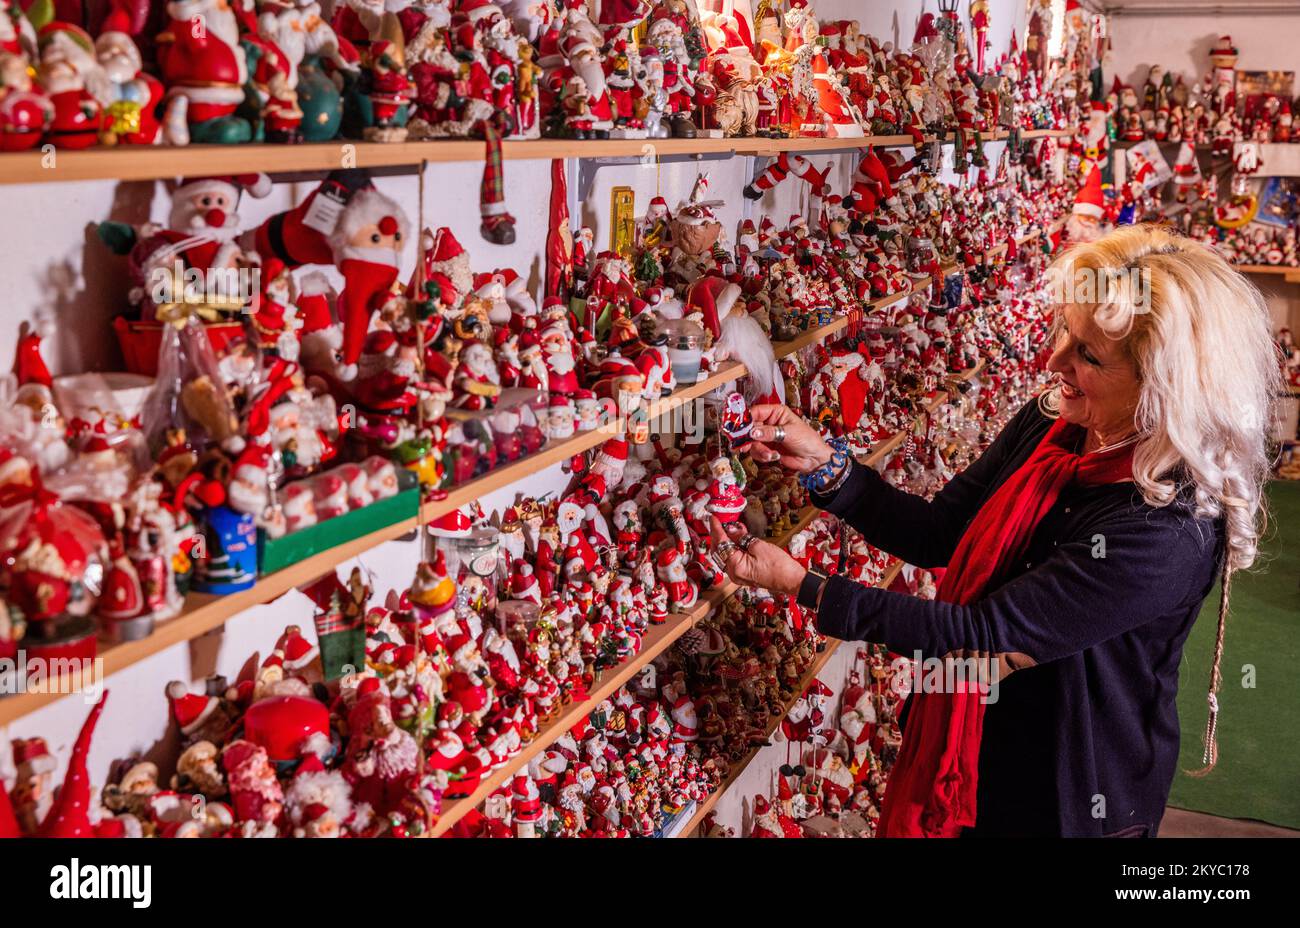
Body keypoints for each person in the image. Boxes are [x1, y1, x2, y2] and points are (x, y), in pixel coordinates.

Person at [709, 224, 1280, 837]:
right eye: (1067, 331)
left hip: (1069, 793)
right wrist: (829, 464)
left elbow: (977, 636)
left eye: (1089, 355)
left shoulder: (1167, 529)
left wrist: (804, 586)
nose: (1054, 361)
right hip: (983, 749)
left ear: (1164, 391)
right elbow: (939, 533)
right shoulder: (1053, 423)